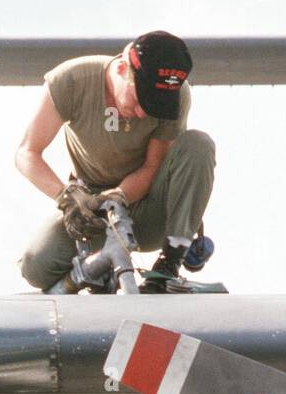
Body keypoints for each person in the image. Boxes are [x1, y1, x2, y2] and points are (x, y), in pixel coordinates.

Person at [15, 30, 215, 293]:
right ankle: (90, 274)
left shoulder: (177, 95)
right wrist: (67, 198)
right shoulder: (72, 81)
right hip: (90, 209)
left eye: (154, 104)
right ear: (121, 68)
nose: (143, 112)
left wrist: (120, 196)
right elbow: (27, 153)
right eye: (140, 98)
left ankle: (168, 266)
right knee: (36, 267)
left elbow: (151, 167)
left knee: (197, 145)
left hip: (147, 206)